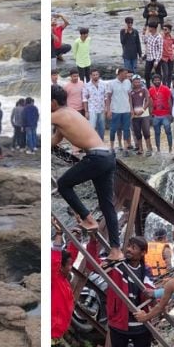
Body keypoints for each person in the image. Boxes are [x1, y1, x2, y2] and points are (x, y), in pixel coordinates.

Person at [52, 85, 119, 246]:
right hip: (107, 156)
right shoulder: (70, 113)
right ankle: (116, 250)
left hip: (96, 158)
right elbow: (55, 140)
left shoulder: (58, 115)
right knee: (107, 205)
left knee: (63, 184)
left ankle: (89, 220)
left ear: (53, 102)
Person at [105, 237, 160, 347]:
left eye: (134, 247)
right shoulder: (117, 266)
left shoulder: (146, 270)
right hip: (118, 323)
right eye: (128, 246)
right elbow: (94, 266)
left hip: (140, 324)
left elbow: (150, 290)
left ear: (143, 252)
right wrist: (90, 242)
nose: (129, 249)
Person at [107, 68, 133, 153]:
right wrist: (108, 110)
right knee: (113, 129)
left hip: (126, 109)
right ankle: (112, 147)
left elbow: (129, 97)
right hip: (115, 110)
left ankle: (125, 147)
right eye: (125, 73)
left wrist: (131, 108)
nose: (126, 75)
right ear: (120, 73)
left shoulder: (128, 82)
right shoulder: (111, 83)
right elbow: (108, 98)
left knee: (126, 129)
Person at [147, 74, 173, 155]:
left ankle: (170, 148)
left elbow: (169, 101)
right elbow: (150, 103)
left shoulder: (166, 89)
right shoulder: (150, 90)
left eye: (158, 80)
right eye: (155, 80)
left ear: (161, 80)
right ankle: (158, 149)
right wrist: (150, 114)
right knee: (157, 133)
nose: (157, 81)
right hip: (155, 115)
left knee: (168, 132)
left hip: (166, 115)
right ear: (152, 81)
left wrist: (171, 114)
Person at [82, 71, 108, 143]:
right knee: (91, 127)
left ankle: (101, 142)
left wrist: (106, 107)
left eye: (97, 74)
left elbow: (106, 97)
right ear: (90, 76)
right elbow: (84, 99)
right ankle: (91, 143)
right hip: (92, 109)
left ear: (99, 75)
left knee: (102, 128)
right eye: (94, 75)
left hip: (101, 108)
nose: (95, 76)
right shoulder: (86, 85)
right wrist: (86, 111)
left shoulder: (103, 84)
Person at [130, 76, 152, 155]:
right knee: (137, 133)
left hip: (144, 115)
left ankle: (149, 149)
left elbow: (147, 101)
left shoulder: (144, 90)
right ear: (132, 82)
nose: (137, 84)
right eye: (135, 82)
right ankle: (140, 149)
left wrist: (142, 110)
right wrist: (132, 112)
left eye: (138, 82)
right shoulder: (131, 92)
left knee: (146, 132)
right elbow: (130, 103)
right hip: (135, 116)